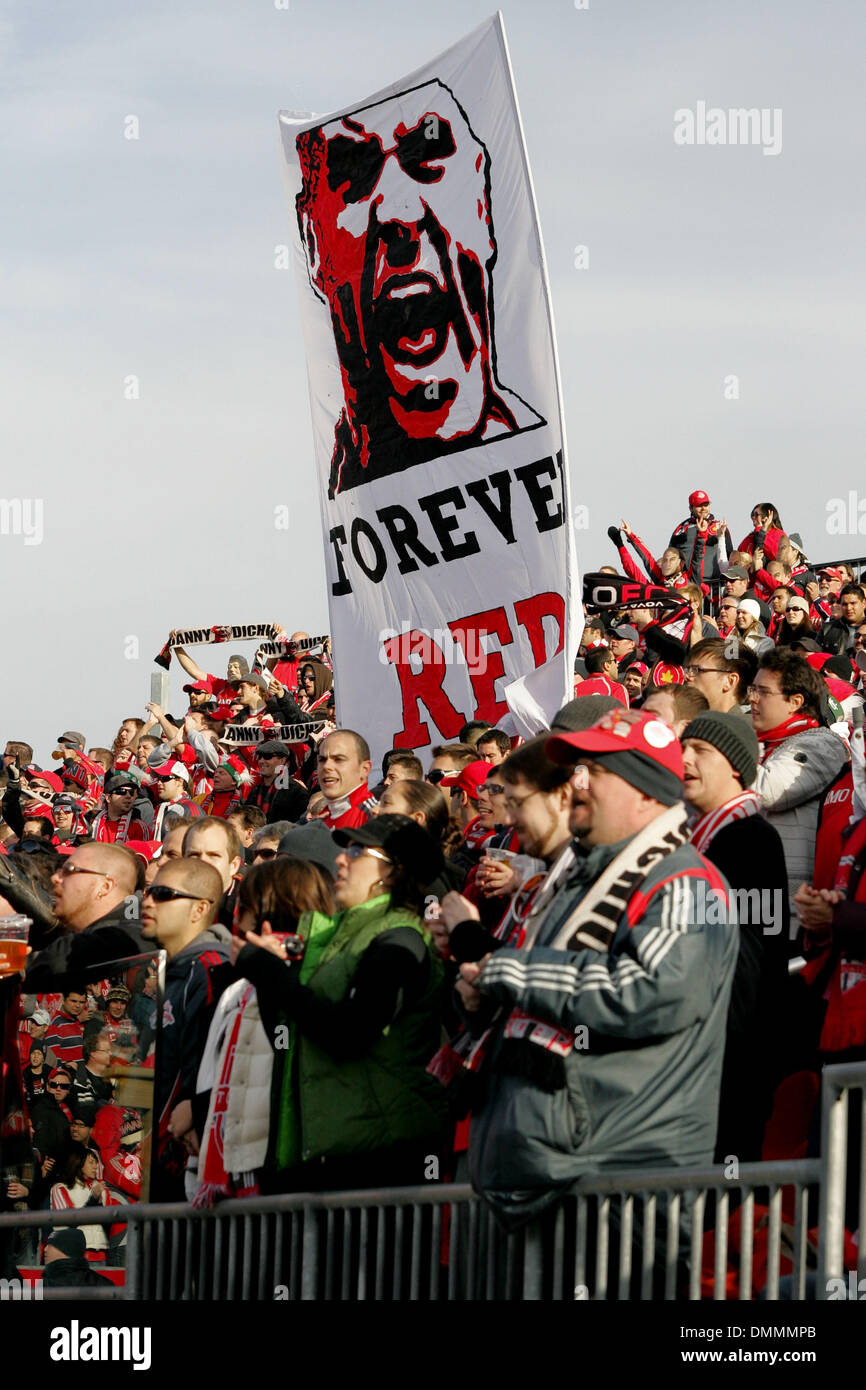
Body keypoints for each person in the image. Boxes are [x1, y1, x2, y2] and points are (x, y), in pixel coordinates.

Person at [461, 708, 738, 1255]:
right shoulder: (569, 883)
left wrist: (507, 971)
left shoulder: (687, 881)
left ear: (645, 789)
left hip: (620, 1190)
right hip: (545, 1177)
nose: (576, 783)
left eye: (595, 770)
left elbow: (652, 990)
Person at [295, 82, 543, 498]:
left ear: (484, 206)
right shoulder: (341, 504)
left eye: (427, 158)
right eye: (355, 174)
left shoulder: (538, 455)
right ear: (314, 244)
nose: (399, 210)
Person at [236, 814, 448, 1189]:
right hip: (324, 1151)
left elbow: (350, 1032)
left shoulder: (403, 938)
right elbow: (290, 1033)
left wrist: (272, 974)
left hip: (380, 1163)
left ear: (392, 871)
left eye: (355, 850)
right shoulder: (334, 935)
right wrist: (267, 975)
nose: (340, 859)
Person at [193, 857, 336, 1205]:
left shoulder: (317, 977)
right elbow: (209, 1082)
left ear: (264, 917)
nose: (234, 917)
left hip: (284, 1169)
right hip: (237, 1168)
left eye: (243, 907)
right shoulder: (237, 988)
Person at [680, 711, 791, 1159]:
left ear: (735, 765)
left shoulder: (751, 840)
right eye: (683, 748)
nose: (684, 759)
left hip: (731, 1062)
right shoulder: (696, 840)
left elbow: (751, 961)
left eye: (700, 751)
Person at [139, 856, 230, 1198]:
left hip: (183, 1169)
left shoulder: (210, 970)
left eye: (163, 893)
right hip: (148, 1163)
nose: (147, 901)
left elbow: (202, 1067)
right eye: (148, 891)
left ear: (199, 909)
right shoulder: (163, 970)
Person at [749, 649, 849, 929]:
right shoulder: (759, 744)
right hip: (751, 905)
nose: (752, 699)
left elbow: (767, 790)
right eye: (752, 689)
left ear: (795, 701)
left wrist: (724, 744)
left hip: (790, 914)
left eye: (763, 692)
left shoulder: (822, 743)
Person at [26, 844, 146, 988]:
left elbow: (70, 958)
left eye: (69, 870)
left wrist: (16, 964)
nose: (55, 878)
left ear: (105, 887)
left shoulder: (133, 933)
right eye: (59, 870)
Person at [50, 1146, 117, 1260]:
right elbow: (68, 1220)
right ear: (79, 1164)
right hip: (73, 1255)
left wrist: (99, 1203)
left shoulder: (102, 1190)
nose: (95, 1166)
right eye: (91, 1162)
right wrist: (93, 1200)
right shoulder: (60, 1189)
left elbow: (109, 1224)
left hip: (102, 1255)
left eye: (96, 1163)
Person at [667, 489, 732, 584]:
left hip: (714, 585)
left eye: (706, 505)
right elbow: (670, 555)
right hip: (688, 584)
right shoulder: (681, 529)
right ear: (691, 508)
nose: (703, 508)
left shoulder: (719, 527)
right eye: (699, 506)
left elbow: (730, 555)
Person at [316, 730, 376, 829]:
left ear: (364, 769)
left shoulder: (375, 818)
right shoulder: (318, 822)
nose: (326, 766)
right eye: (322, 760)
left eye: (339, 759)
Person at [684, 637, 756, 717]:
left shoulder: (744, 728)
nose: (686, 676)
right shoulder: (682, 724)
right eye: (687, 669)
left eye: (697, 670)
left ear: (730, 681)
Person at [246, 740, 309, 823]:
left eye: (267, 756)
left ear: (282, 761)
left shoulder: (297, 792)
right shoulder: (255, 791)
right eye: (259, 757)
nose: (261, 761)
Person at [40, 1228, 113, 1288]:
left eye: (51, 1245)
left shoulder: (43, 1286)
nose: (45, 1249)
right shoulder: (103, 1284)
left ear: (66, 1249)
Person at [150, 760, 202, 840]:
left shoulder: (190, 808)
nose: (159, 782)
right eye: (158, 778)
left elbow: (198, 841)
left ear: (180, 782)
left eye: (164, 778)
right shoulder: (163, 807)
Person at [90, 773, 147, 843]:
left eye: (131, 792)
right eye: (122, 791)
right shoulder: (93, 822)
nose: (128, 796)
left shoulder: (139, 827)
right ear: (108, 798)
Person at [43, 990, 88, 1067]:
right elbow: (52, 1062)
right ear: (63, 1000)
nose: (78, 1005)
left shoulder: (74, 1022)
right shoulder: (56, 1025)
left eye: (81, 1002)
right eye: (73, 1001)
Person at [820, 584, 866, 655]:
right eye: (844, 604)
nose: (848, 608)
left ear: (864, 603)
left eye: (853, 603)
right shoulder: (827, 629)